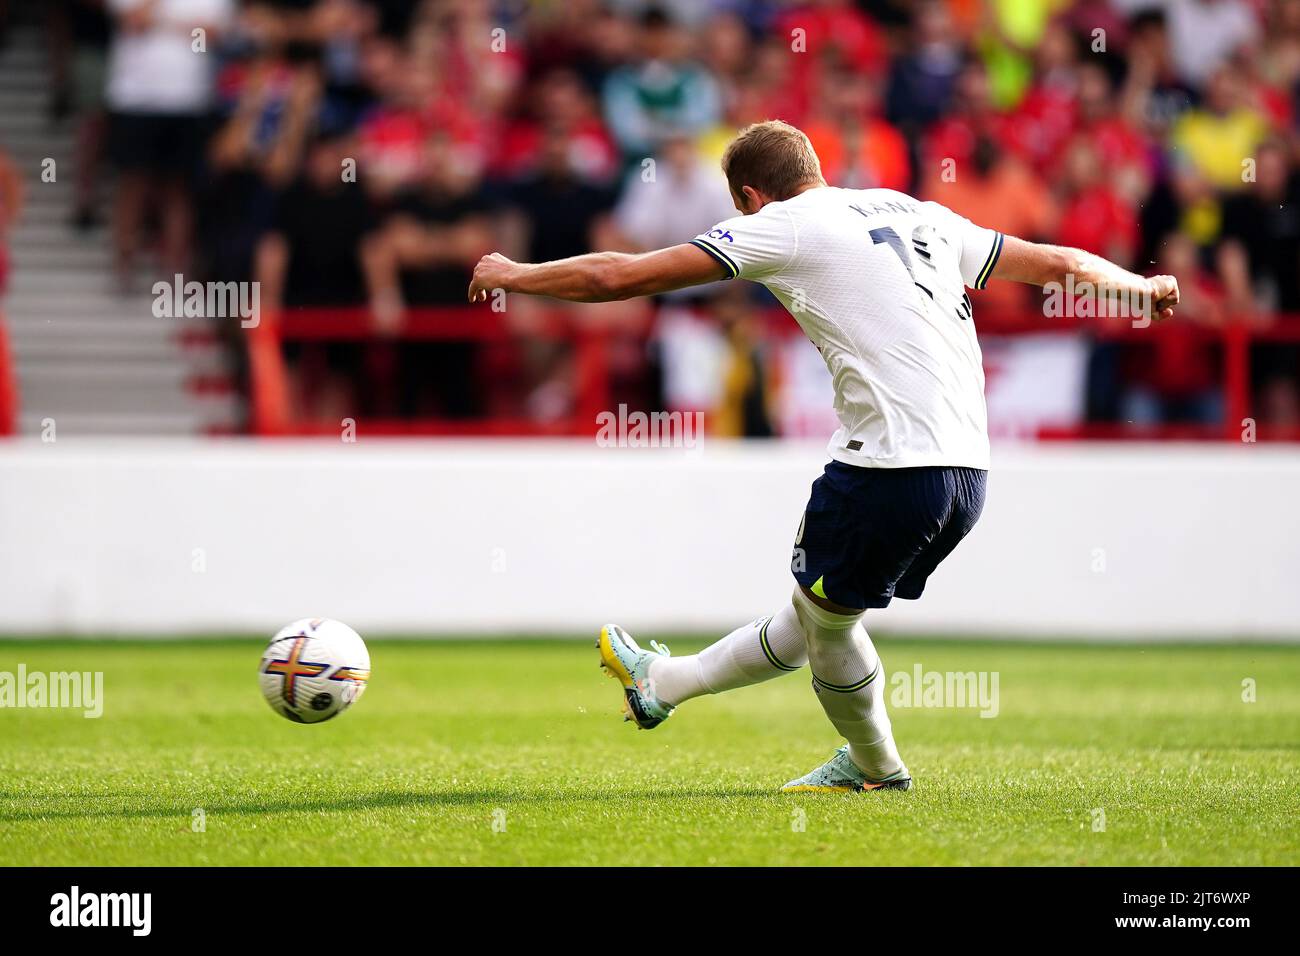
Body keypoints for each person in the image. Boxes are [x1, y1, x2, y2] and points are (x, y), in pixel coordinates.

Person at [467, 120, 1179, 793]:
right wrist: (1140, 288)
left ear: (749, 198)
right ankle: (664, 683)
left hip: (891, 467)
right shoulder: (915, 210)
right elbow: (1053, 262)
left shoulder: (781, 225)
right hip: (968, 473)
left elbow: (616, 278)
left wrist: (515, 272)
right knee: (817, 607)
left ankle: (875, 765)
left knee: (828, 619)